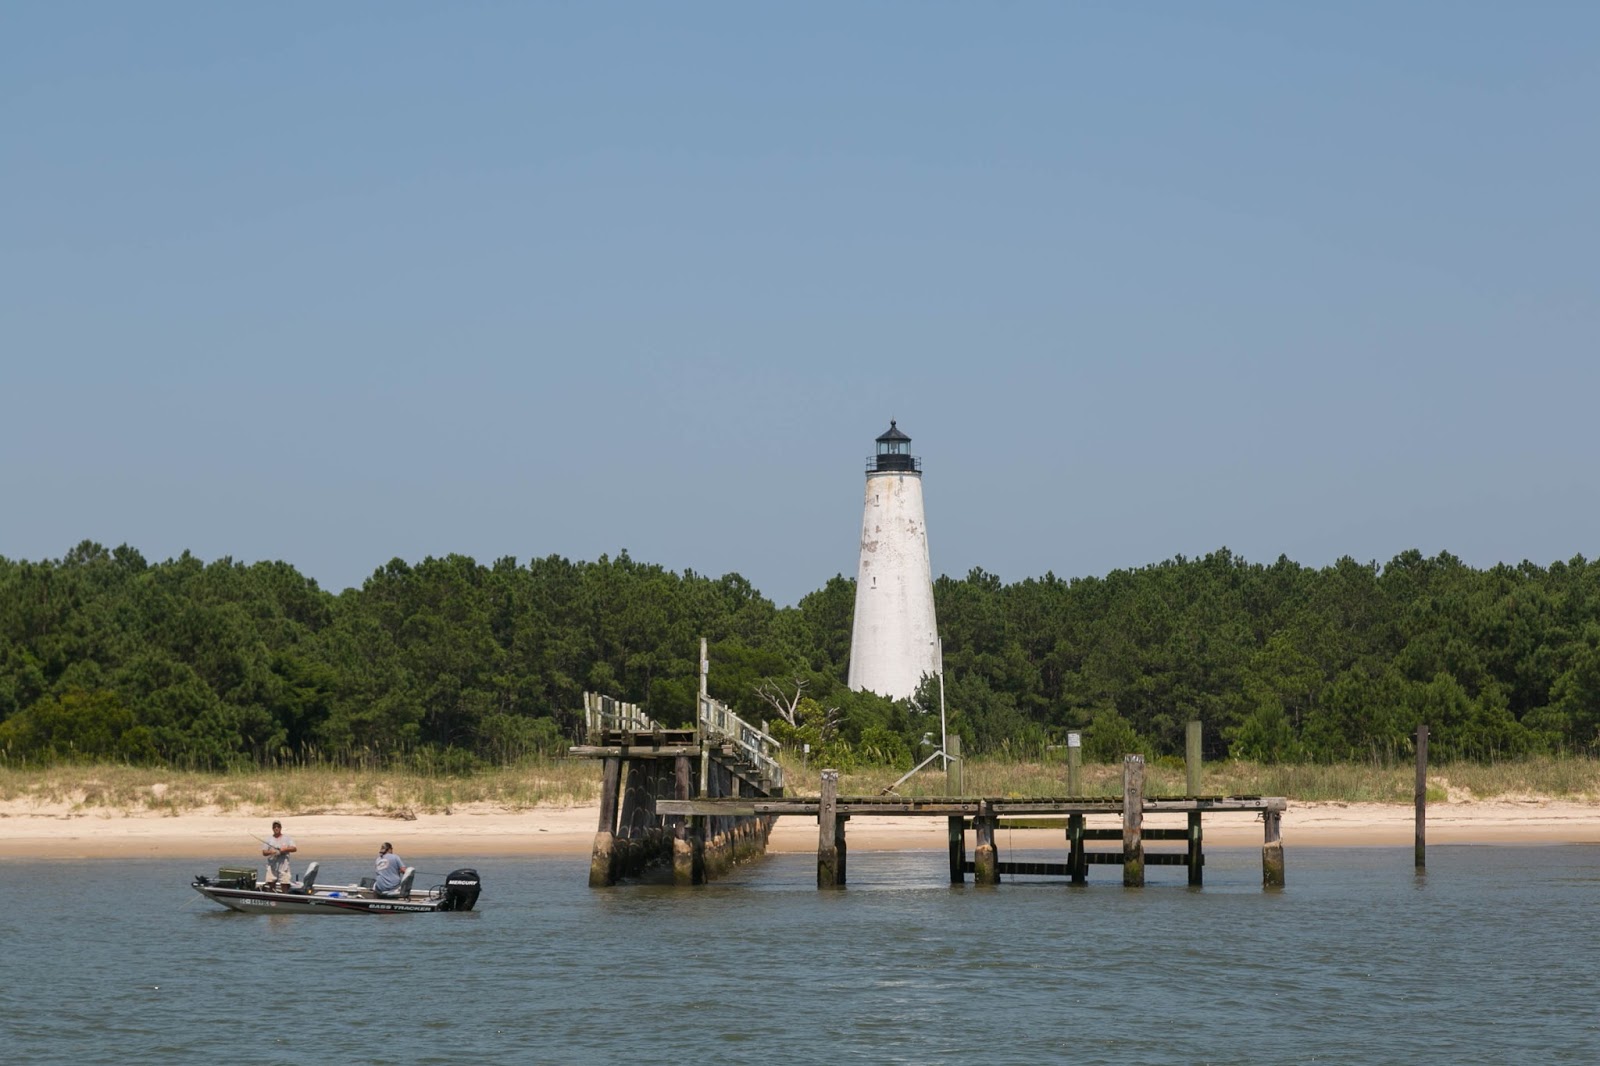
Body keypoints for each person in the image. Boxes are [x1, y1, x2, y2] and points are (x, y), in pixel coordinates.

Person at [261, 820, 297, 889]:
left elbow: (294, 849)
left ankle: (284, 898)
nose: (276, 828)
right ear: (272, 829)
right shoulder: (269, 839)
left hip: (284, 867)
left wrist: (285, 849)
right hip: (272, 866)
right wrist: (271, 852)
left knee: (285, 884)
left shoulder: (287, 838)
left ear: (281, 828)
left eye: (278, 827)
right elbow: (264, 852)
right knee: (271, 884)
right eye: (274, 827)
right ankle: (272, 898)